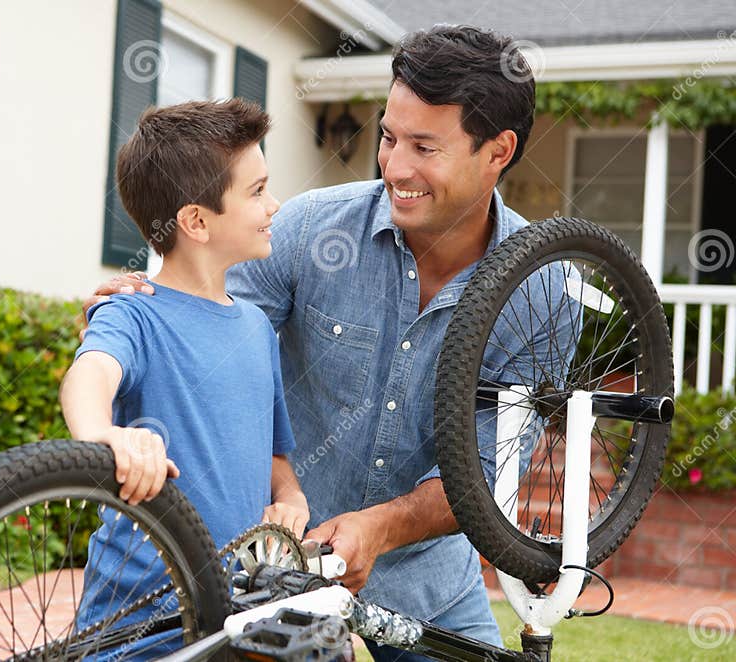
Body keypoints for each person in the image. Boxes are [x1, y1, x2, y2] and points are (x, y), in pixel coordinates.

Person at [86, 25, 542, 661]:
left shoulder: (539, 287)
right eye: (388, 136)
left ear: (498, 151)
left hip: (431, 586)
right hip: (271, 578)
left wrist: (379, 528)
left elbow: (490, 471)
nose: (394, 165)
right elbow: (206, 324)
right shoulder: (307, 231)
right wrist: (143, 304)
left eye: (424, 146)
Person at [60, 98, 309, 657]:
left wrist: (291, 499)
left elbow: (274, 459)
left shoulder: (257, 329)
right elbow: (90, 374)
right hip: (135, 628)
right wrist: (105, 435)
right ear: (196, 221)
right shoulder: (133, 310)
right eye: (256, 191)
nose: (274, 205)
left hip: (227, 618)